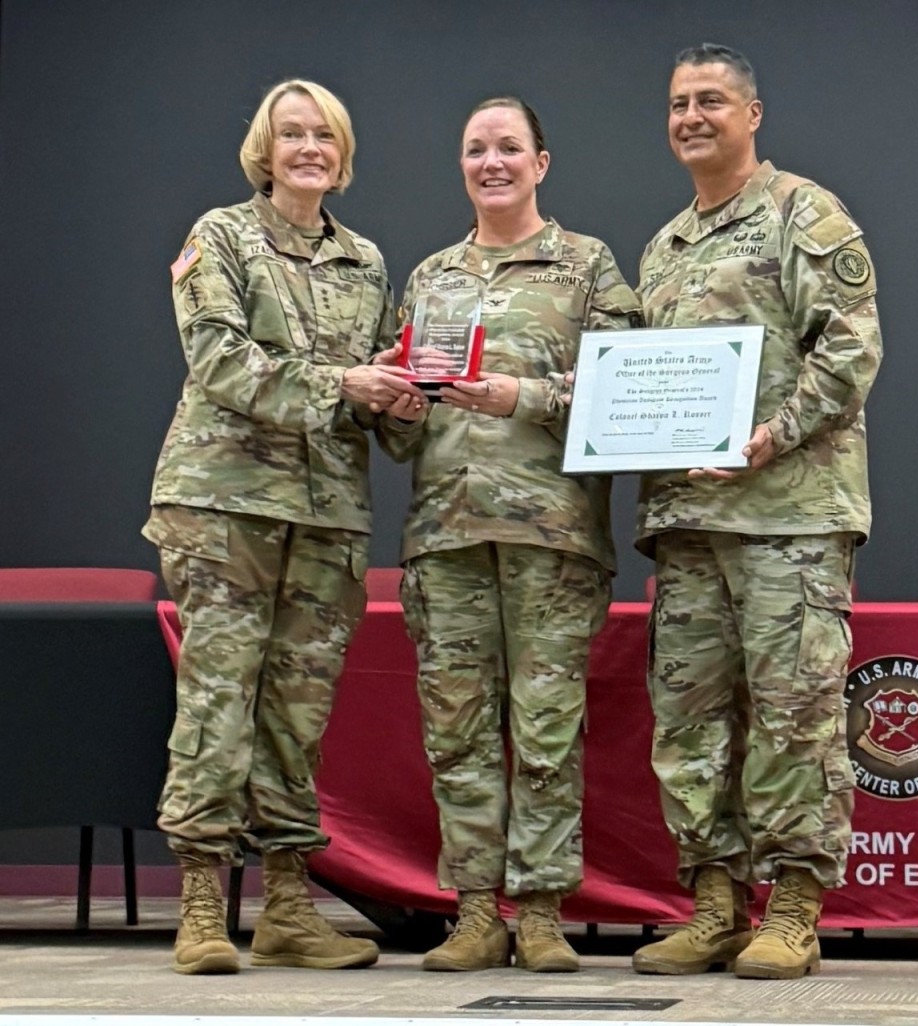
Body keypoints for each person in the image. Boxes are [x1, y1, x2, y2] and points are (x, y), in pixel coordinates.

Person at [144, 79, 425, 975]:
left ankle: (289, 906)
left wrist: (404, 399)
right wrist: (343, 384)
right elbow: (218, 358)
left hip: (326, 513)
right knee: (219, 698)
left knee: (299, 713)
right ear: (264, 152)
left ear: (343, 156)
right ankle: (201, 904)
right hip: (224, 503)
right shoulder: (221, 236)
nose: (309, 149)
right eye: (292, 134)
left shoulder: (366, 262)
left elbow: (377, 389)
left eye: (324, 136)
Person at [630, 45, 882, 980]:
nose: (691, 116)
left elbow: (850, 349)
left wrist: (773, 435)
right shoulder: (664, 247)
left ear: (752, 114)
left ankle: (795, 912)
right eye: (678, 103)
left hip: (789, 515)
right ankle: (715, 907)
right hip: (690, 523)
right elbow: (642, 381)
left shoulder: (802, 213)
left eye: (711, 100)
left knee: (794, 715)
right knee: (688, 720)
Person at [375, 96, 641, 973]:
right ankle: (476, 913)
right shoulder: (431, 277)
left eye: (509, 148)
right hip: (445, 536)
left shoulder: (588, 267)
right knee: (456, 731)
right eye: (475, 149)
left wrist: (517, 396)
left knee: (546, 730)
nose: (492, 163)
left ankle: (541, 913)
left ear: (541, 163)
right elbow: (400, 433)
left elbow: (623, 390)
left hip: (552, 539)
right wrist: (399, 406)